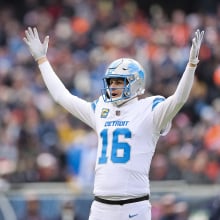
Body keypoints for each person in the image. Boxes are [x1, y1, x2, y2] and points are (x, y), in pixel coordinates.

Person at [23, 27, 204, 220]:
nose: (113, 87)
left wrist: (191, 65)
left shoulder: (149, 110)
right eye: (111, 82)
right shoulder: (102, 110)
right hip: (101, 206)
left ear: (135, 83)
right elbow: (62, 97)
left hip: (134, 205)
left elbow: (178, 99)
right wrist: (42, 61)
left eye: (119, 82)